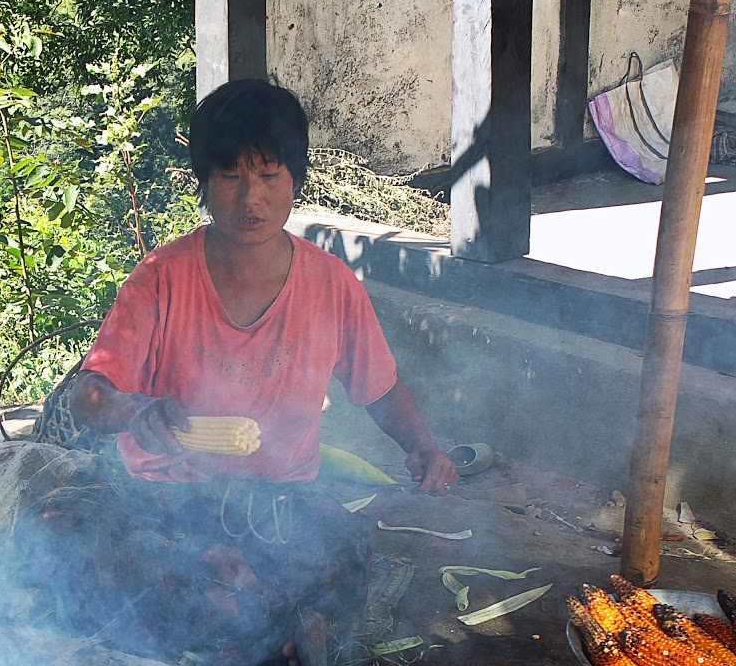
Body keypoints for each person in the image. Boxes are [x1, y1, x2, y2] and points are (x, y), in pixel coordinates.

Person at [70, 77, 459, 494]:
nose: (251, 198)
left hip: (285, 495)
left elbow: (379, 388)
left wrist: (422, 447)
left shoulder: (332, 286)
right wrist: (134, 410)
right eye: (230, 176)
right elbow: (88, 395)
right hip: (166, 494)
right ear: (203, 182)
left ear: (296, 181)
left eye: (270, 175)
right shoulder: (160, 278)